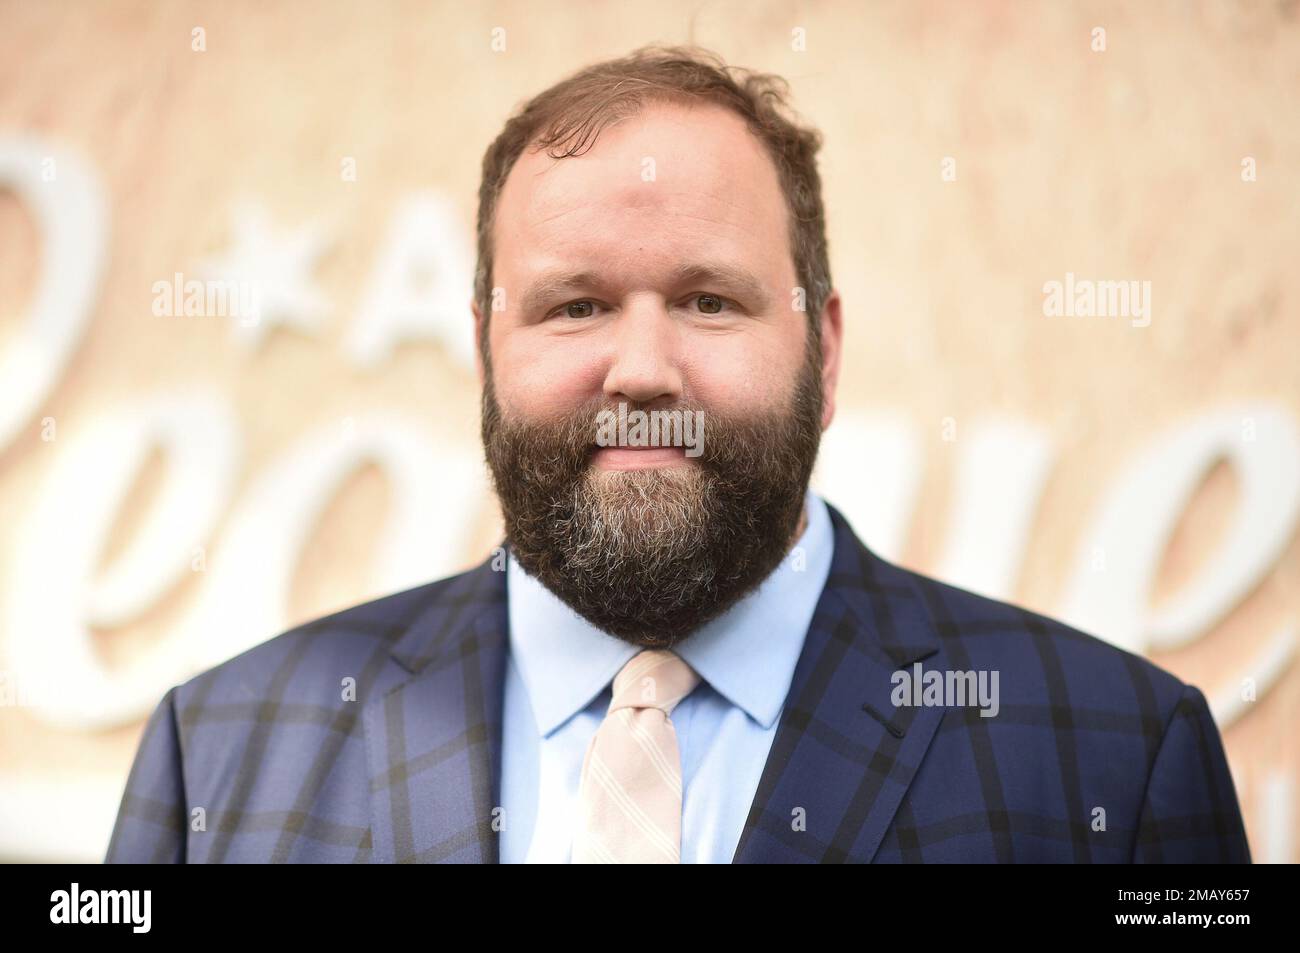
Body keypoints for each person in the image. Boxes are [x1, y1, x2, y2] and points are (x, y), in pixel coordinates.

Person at [106, 45, 1250, 864]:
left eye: (708, 301)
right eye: (573, 306)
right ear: (483, 343)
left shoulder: (1112, 758)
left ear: (826, 347)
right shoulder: (221, 755)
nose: (641, 369)